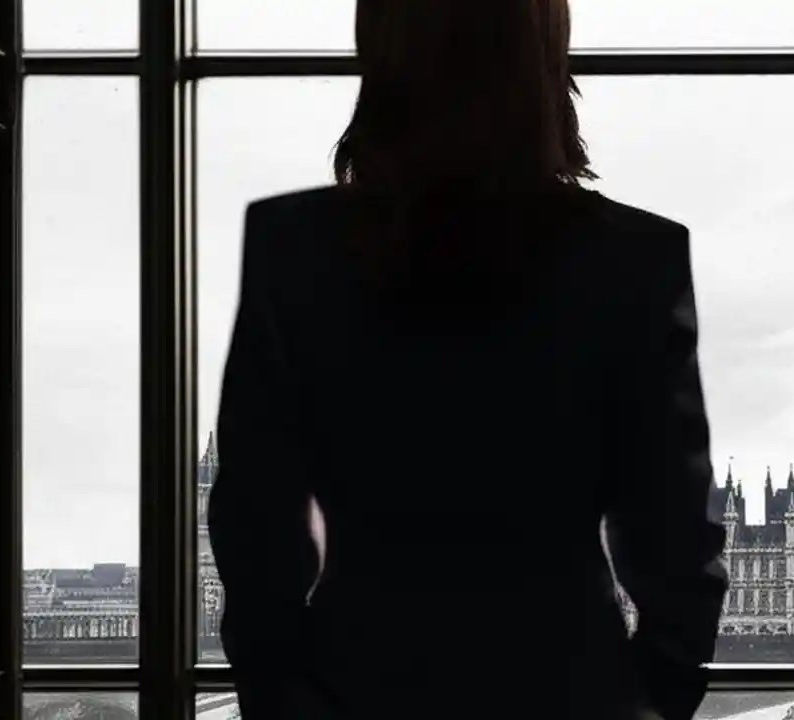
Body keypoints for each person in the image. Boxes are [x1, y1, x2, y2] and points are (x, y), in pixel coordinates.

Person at [207, 2, 727, 718]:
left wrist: (280, 698)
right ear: (546, 58)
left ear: (379, 53)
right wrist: (654, 696)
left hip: (357, 686)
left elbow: (254, 523)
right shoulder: (635, 260)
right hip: (569, 688)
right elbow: (675, 538)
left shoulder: (292, 248)